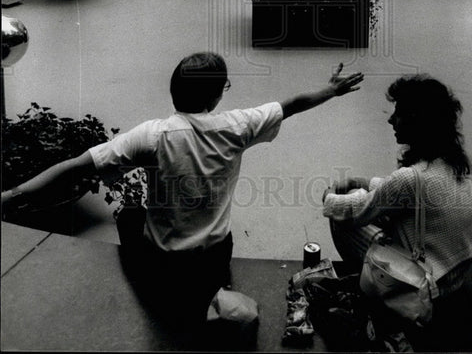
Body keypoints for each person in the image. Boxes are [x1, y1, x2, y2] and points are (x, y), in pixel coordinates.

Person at [1, 55, 363, 333]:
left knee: (129, 214)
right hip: (215, 258)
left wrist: (13, 193)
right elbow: (292, 104)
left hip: (163, 262)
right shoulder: (238, 126)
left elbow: (75, 165)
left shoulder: (152, 135)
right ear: (215, 95)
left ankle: (156, 295)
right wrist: (331, 90)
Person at [322, 74, 472, 345]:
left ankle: (373, 287)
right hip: (456, 273)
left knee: (343, 215)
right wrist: (365, 181)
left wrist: (328, 198)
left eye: (398, 114)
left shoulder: (409, 179)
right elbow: (400, 193)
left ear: (417, 121)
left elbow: (358, 209)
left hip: (425, 288)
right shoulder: (448, 162)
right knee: (374, 201)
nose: (390, 120)